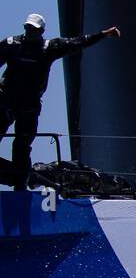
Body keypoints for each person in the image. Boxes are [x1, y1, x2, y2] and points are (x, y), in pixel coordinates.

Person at [0, 13, 119, 188]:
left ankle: (20, 183)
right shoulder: (11, 44)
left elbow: (77, 42)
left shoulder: (49, 48)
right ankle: (18, 177)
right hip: (5, 103)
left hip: (29, 106)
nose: (28, 32)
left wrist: (102, 34)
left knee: (22, 147)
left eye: (33, 29)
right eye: (27, 28)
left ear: (41, 31)